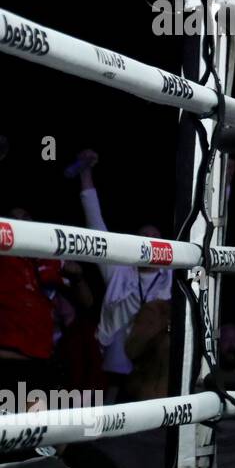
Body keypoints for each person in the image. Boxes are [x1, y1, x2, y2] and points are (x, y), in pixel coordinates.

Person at [74, 153, 171, 403]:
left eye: (154, 239)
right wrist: (86, 174)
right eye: (143, 238)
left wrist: (224, 186)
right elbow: (96, 228)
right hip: (113, 353)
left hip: (154, 357)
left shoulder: (175, 274)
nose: (148, 244)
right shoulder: (118, 270)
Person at [0, 206, 64, 407]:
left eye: (27, 217)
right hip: (9, 359)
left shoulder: (48, 258)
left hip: (42, 356)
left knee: (45, 431)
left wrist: (76, 276)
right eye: (15, 219)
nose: (22, 223)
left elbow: (86, 301)